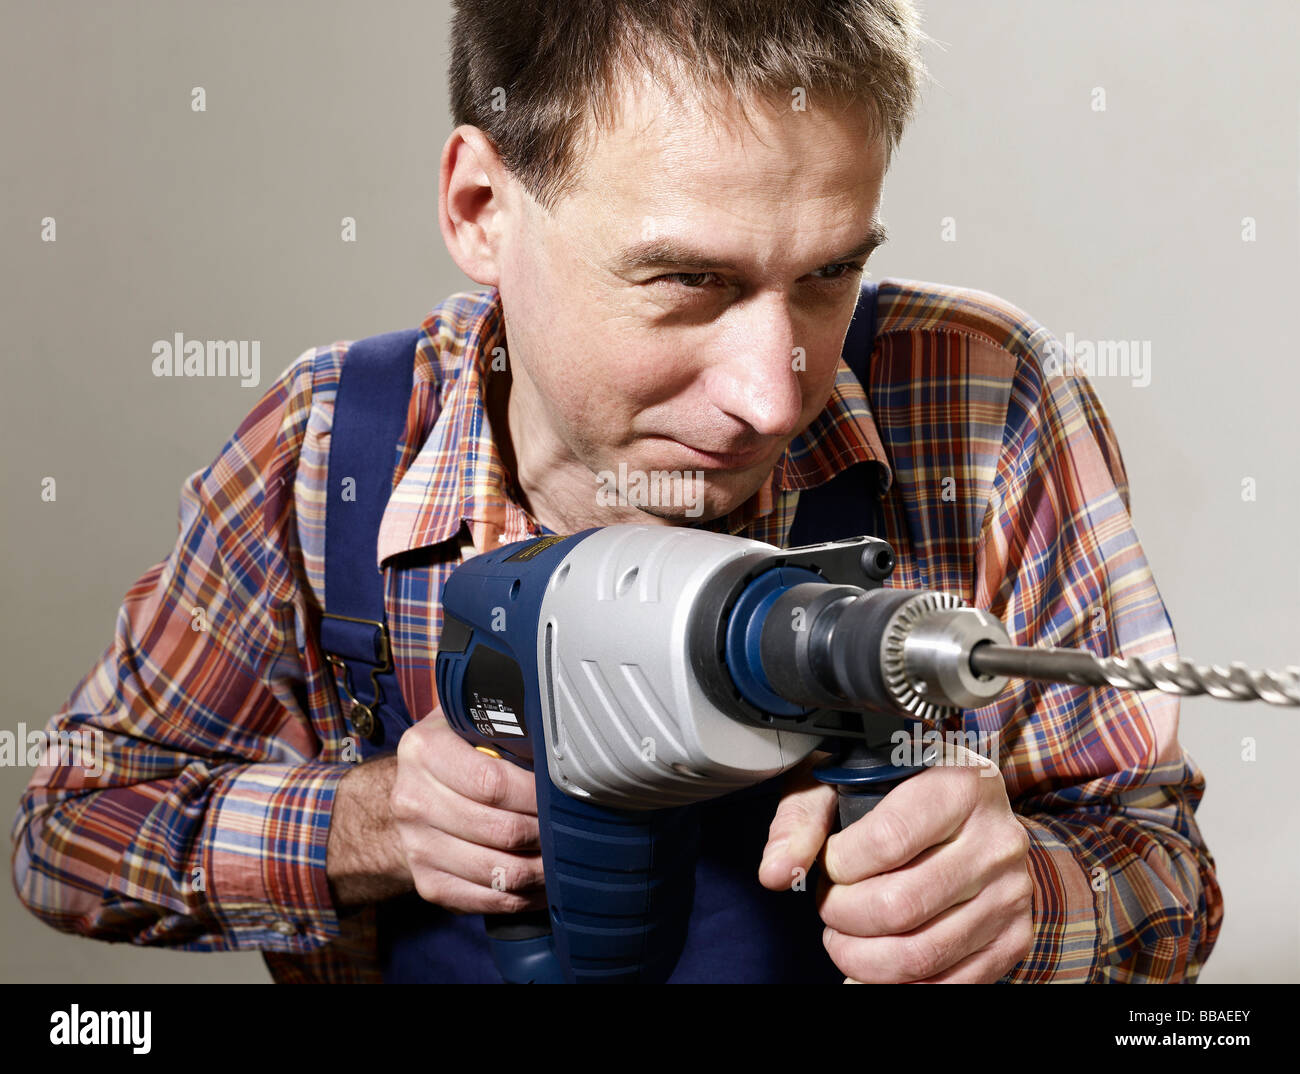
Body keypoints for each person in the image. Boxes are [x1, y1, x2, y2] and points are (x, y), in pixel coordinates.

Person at [10, 0, 1221, 983]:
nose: (772, 394)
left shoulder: (979, 402)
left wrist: (1041, 899)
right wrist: (359, 823)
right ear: (481, 208)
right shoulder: (325, 456)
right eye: (687, 280)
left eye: (828, 274)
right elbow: (68, 838)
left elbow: (1164, 869)